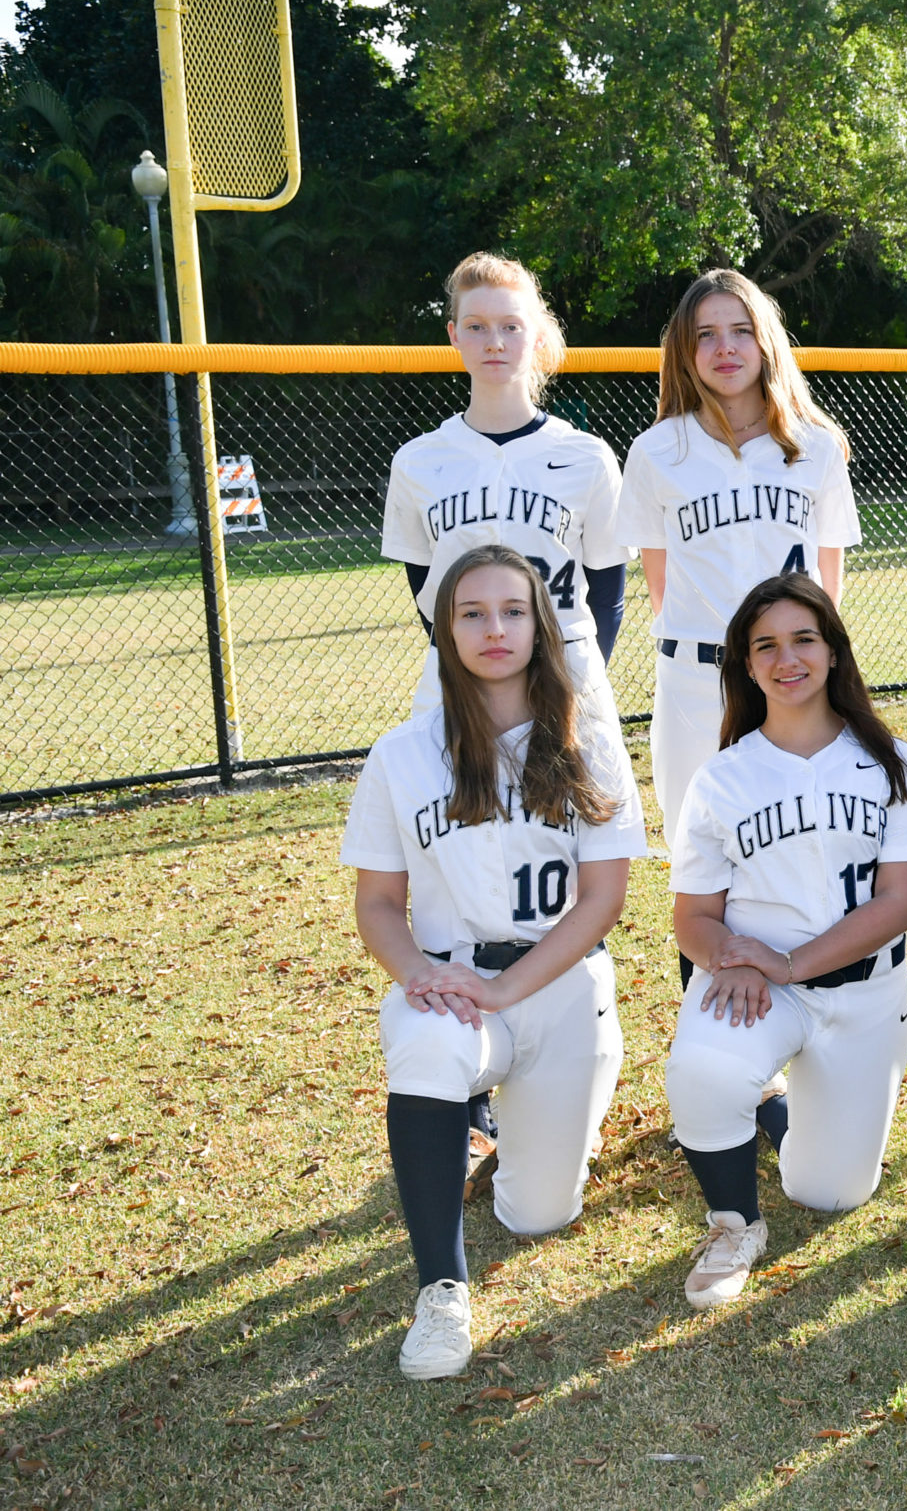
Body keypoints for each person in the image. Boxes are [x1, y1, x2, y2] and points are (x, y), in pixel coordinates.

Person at [340, 544, 642, 1379]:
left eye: (512, 609)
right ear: (444, 632)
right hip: (452, 984)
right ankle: (441, 1288)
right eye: (471, 613)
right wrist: (418, 975)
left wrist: (509, 984)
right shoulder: (403, 752)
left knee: (540, 1214)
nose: (494, 628)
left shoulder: (588, 739)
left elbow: (604, 899)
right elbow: (375, 904)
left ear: (541, 626)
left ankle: (512, 1128)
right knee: (429, 1047)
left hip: (555, 982)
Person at [662, 574, 907, 1308]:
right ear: (746, 666)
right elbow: (693, 916)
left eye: (804, 638)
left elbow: (900, 901)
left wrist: (789, 963)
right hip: (760, 989)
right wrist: (732, 959)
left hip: (863, 993)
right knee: (702, 1073)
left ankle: (774, 1105)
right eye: (766, 645)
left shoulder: (891, 762)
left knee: (830, 1192)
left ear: (835, 651)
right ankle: (733, 1222)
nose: (788, 658)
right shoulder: (722, 777)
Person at [620, 269, 861, 847]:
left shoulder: (816, 444)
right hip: (695, 678)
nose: (724, 347)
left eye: (740, 330)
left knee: (795, 840)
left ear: (765, 342)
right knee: (696, 848)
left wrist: (804, 661)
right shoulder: (657, 450)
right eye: (705, 334)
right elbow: (660, 581)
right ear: (685, 350)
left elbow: (828, 583)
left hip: (791, 675)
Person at [381, 252, 628, 719]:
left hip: (568, 667)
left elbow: (607, 594)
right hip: (460, 676)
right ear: (453, 335)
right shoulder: (417, 460)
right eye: (475, 326)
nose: (494, 341)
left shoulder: (588, 455)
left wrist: (580, 685)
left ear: (536, 335)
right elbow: (430, 596)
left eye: (511, 326)